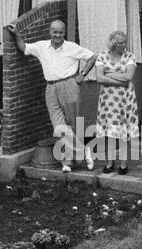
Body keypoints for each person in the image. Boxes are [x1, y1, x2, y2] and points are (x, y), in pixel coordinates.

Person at [5, 17, 95, 172]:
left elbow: (92, 56)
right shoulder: (41, 46)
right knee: (59, 128)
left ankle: (67, 162)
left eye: (60, 32)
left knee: (72, 124)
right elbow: (24, 48)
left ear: (64, 33)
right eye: (55, 32)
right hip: (51, 89)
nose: (57, 35)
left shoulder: (71, 47)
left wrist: (83, 74)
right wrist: (16, 34)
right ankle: (83, 151)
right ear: (50, 32)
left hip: (69, 86)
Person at [91, 30, 139, 174]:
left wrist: (109, 75)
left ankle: (123, 164)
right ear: (113, 43)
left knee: (124, 131)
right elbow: (99, 78)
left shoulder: (130, 56)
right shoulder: (102, 56)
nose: (123, 45)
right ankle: (109, 162)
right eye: (120, 43)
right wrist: (118, 79)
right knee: (110, 132)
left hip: (125, 100)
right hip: (108, 100)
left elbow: (129, 76)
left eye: (125, 42)